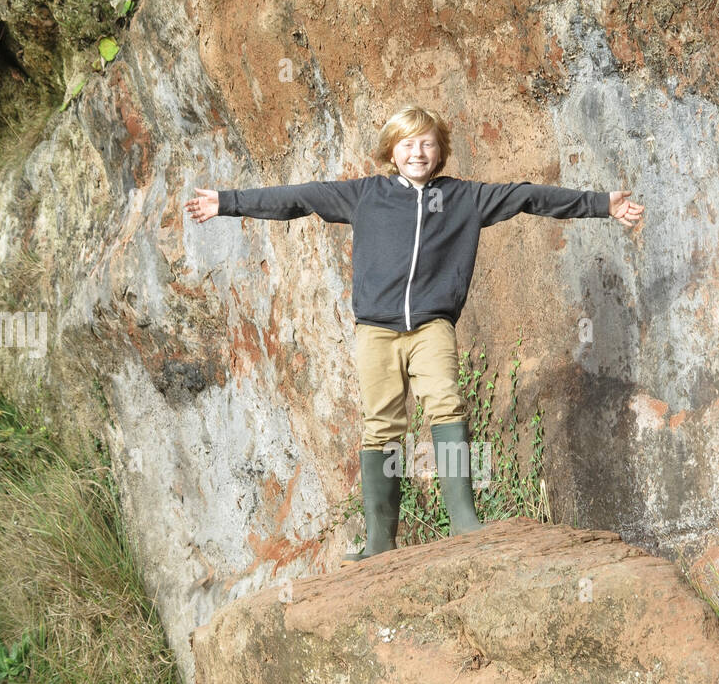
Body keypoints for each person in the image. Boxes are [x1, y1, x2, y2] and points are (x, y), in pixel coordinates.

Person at [184, 104, 643, 562]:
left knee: (446, 403)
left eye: (426, 143)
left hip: (432, 326)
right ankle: (381, 541)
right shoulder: (365, 195)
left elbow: (529, 197)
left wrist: (604, 204)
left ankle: (464, 520)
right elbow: (298, 198)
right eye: (406, 144)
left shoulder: (465, 198)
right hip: (376, 331)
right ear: (391, 151)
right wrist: (226, 202)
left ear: (440, 151)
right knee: (381, 424)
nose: (417, 153)